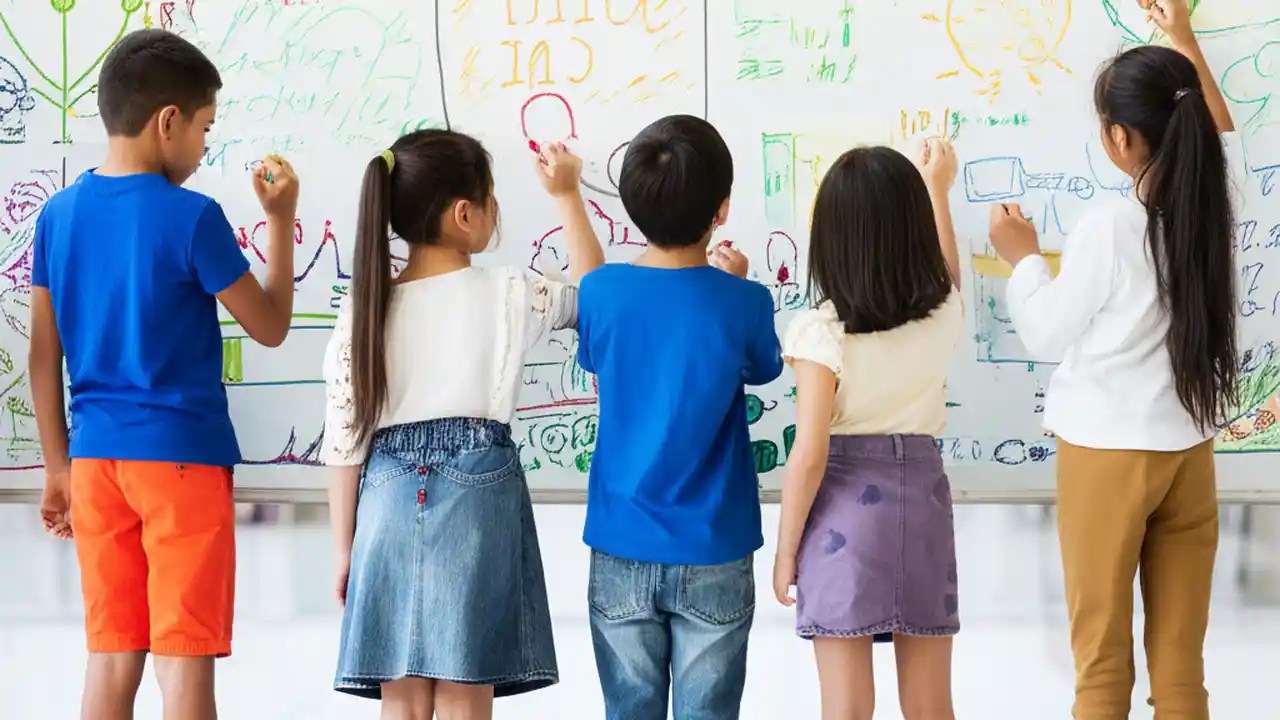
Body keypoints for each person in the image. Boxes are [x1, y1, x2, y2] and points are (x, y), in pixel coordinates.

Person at [29, 28, 299, 720]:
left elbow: (42, 354)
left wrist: (57, 467)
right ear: (168, 122)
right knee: (184, 666)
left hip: (93, 464)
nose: (205, 147)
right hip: (179, 463)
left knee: (112, 657)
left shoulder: (57, 216)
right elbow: (268, 325)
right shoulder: (193, 217)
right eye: (206, 128)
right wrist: (280, 220)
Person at [988, 1, 1239, 717]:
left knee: (1101, 664)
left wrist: (1025, 259)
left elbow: (1046, 333)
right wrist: (1180, 36)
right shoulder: (1213, 208)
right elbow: (1217, 133)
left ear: (1120, 139)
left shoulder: (1110, 227)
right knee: (1181, 666)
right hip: (1189, 452)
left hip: (1107, 456)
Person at [321, 130, 604, 720]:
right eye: (492, 198)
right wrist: (567, 196)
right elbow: (597, 297)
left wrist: (345, 548)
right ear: (464, 214)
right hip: (479, 492)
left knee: (399, 694)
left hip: (385, 500)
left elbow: (345, 440)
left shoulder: (366, 305)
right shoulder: (510, 292)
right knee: (463, 689)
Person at [576, 114, 784, 720]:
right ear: (721, 210)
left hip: (620, 543)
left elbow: (599, 355)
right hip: (714, 545)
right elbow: (763, 366)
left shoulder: (601, 292)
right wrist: (737, 283)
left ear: (633, 207)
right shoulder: (744, 301)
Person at [773, 139, 964, 720]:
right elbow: (949, 271)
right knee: (932, 705)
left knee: (847, 707)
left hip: (843, 518)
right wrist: (938, 190)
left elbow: (808, 455)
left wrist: (786, 553)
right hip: (924, 507)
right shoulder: (944, 314)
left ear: (830, 239)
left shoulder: (819, 332)